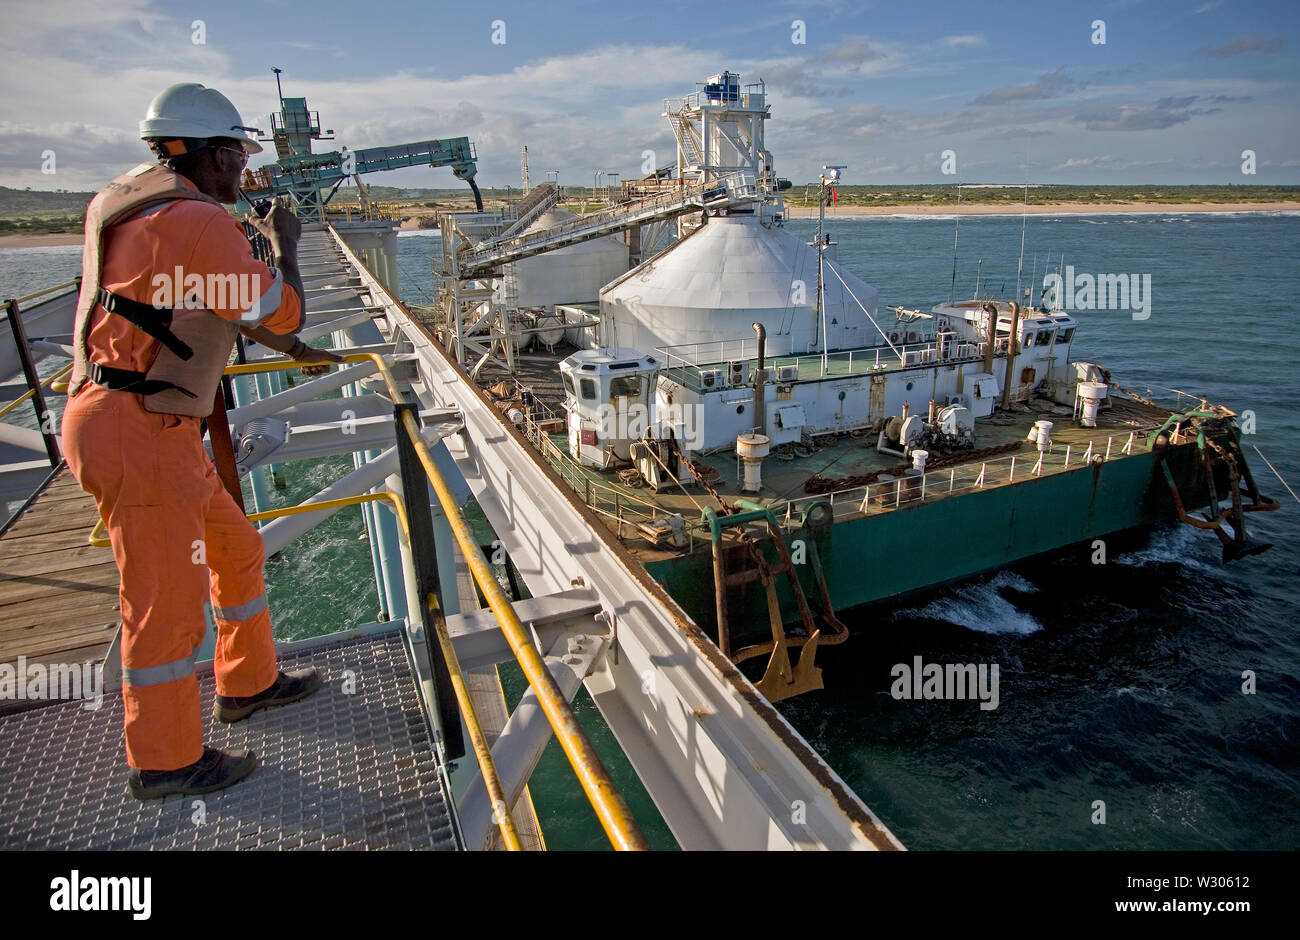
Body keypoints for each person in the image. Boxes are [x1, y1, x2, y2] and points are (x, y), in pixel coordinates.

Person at [62, 82, 341, 800]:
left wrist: (290, 341)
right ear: (212, 153)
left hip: (141, 421)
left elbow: (181, 299)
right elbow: (279, 312)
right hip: (140, 434)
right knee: (163, 603)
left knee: (236, 550)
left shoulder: (123, 200)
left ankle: (248, 684)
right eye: (240, 157)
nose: (244, 173)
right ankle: (165, 762)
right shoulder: (197, 222)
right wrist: (285, 247)